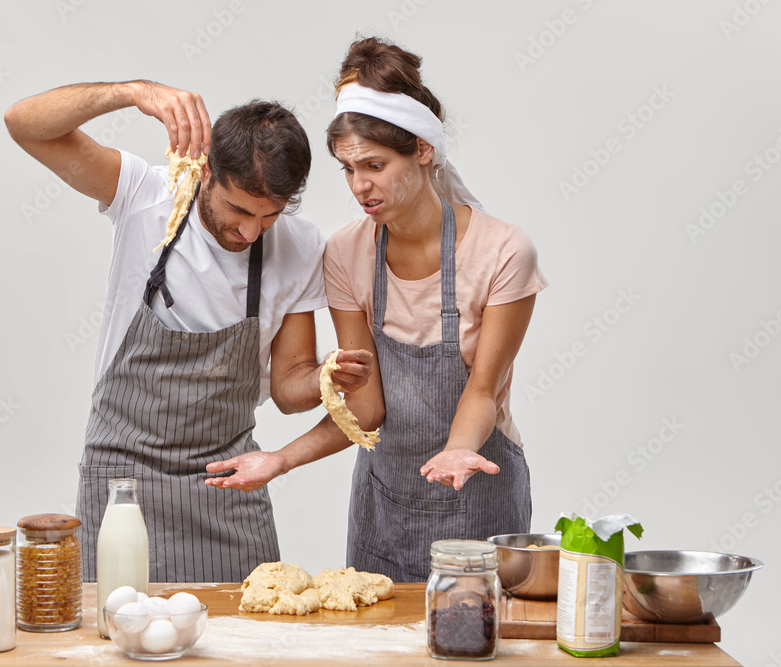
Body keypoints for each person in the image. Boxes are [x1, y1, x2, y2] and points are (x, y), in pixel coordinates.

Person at [207, 38, 548, 582]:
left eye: (375, 164)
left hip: (479, 499)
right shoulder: (346, 253)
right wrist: (279, 459)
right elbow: (365, 411)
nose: (359, 185)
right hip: (384, 511)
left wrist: (458, 451)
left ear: (423, 150)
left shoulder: (503, 252)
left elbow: (483, 390)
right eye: (347, 168)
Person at [3, 80, 371, 583]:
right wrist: (130, 92)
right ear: (204, 173)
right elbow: (24, 125)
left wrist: (327, 379)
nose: (249, 233)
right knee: (112, 637)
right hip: (121, 479)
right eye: (239, 210)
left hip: (227, 482)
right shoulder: (145, 194)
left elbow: (289, 388)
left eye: (269, 216)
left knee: (245, 646)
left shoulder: (299, 245)